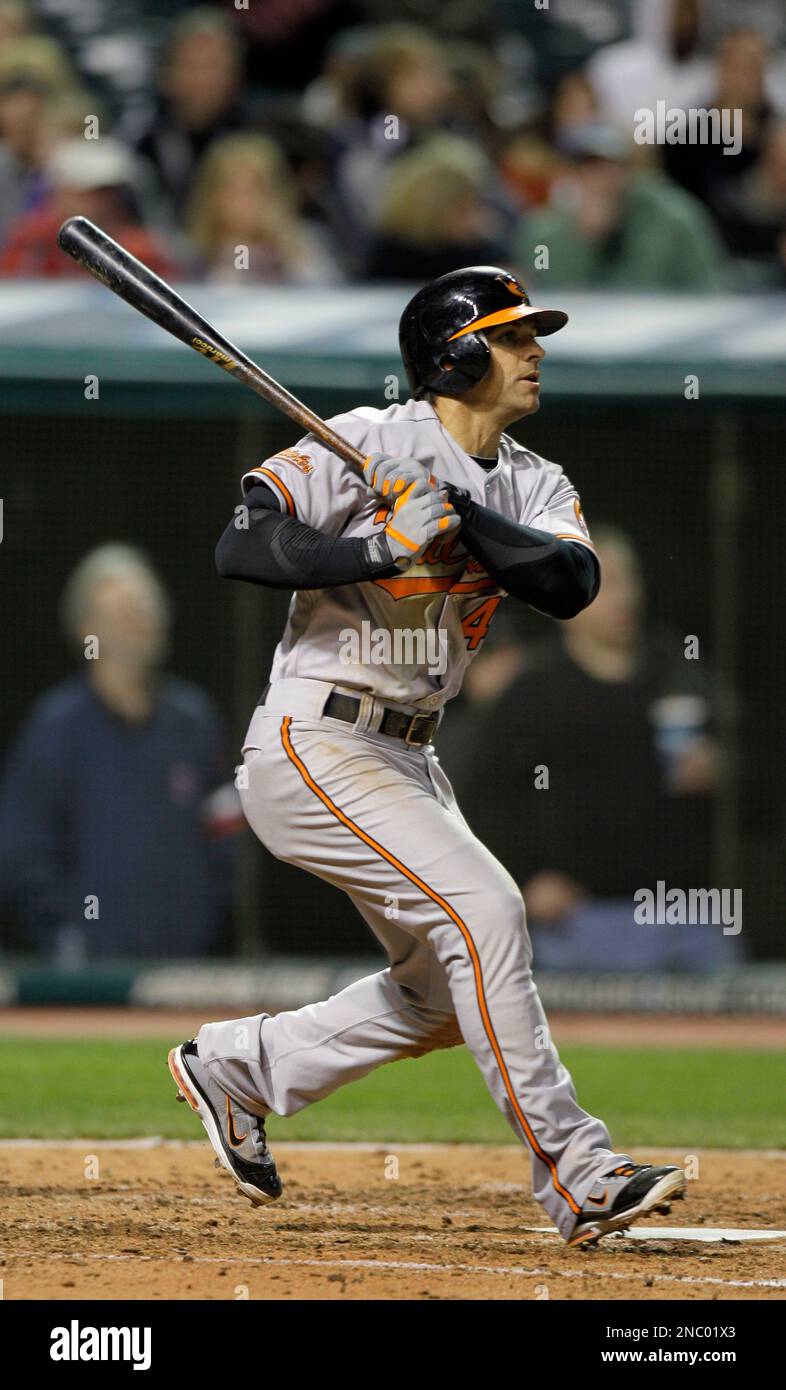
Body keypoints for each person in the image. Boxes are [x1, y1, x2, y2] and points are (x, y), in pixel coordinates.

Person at [168, 265, 687, 1248]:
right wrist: (374, 547)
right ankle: (578, 1173)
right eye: (510, 335)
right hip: (314, 736)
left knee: (446, 995)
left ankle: (239, 1066)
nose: (533, 350)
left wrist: (458, 515)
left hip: (410, 758)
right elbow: (240, 542)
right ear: (453, 356)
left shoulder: (537, 479)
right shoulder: (365, 439)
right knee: (489, 908)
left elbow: (570, 582)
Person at [459, 526, 738, 972]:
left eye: (629, 578)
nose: (621, 596)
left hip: (689, 916)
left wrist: (724, 767)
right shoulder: (532, 691)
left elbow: (754, 766)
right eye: (602, 581)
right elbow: (479, 800)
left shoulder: (680, 670)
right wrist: (523, 880)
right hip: (578, 925)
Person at [0, 546, 239, 960]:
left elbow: (226, 836)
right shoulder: (57, 728)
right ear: (87, 628)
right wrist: (66, 933)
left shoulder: (193, 722)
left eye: (149, 609)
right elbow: (21, 848)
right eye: (124, 612)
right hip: (88, 980)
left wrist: (203, 924)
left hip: (183, 975)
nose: (141, 622)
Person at [516, 121, 730, 291]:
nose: (601, 180)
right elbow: (545, 294)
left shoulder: (674, 219)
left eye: (610, 168)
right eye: (589, 169)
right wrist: (584, 239)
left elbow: (707, 290)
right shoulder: (542, 232)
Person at [184, 133, 342, 284]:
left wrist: (288, 249)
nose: (244, 203)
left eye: (254, 191)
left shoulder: (306, 245)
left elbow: (327, 294)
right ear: (212, 196)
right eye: (233, 191)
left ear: (275, 194)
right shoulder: (191, 254)